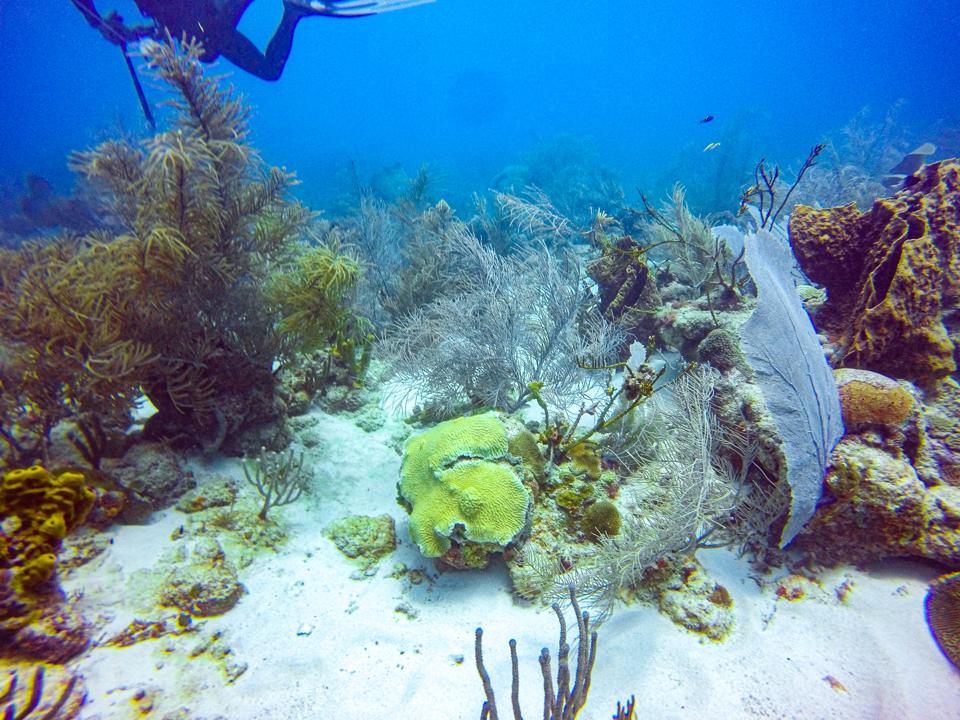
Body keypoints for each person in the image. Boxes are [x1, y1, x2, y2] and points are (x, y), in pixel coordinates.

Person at [73, 0, 433, 81]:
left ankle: (294, 11)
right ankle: (293, 12)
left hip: (200, 18)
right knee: (268, 69)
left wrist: (102, 25)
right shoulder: (186, 30)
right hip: (197, 21)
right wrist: (102, 24)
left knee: (210, 41)